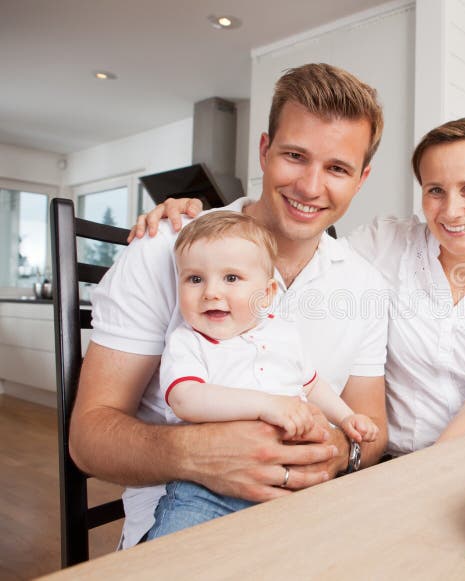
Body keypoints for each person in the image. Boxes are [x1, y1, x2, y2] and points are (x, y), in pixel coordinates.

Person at [72, 63, 389, 549]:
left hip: (310, 523)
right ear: (264, 151)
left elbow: (372, 433)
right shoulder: (164, 249)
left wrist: (335, 456)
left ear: (361, 178)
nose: (309, 185)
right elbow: (88, 439)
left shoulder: (365, 286)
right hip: (185, 531)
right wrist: (198, 453)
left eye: (337, 168)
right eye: (295, 155)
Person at [134, 118, 465, 458]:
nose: (451, 210)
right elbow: (302, 241)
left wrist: (423, 478)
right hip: (391, 460)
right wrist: (202, 220)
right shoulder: (387, 243)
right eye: (435, 190)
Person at [148, 211, 378, 538]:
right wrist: (267, 405)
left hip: (292, 491)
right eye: (194, 279)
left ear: (267, 294)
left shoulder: (283, 335)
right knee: (175, 556)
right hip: (206, 492)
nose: (211, 292)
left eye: (231, 279)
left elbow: (311, 384)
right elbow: (185, 399)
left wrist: (346, 417)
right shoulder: (189, 341)